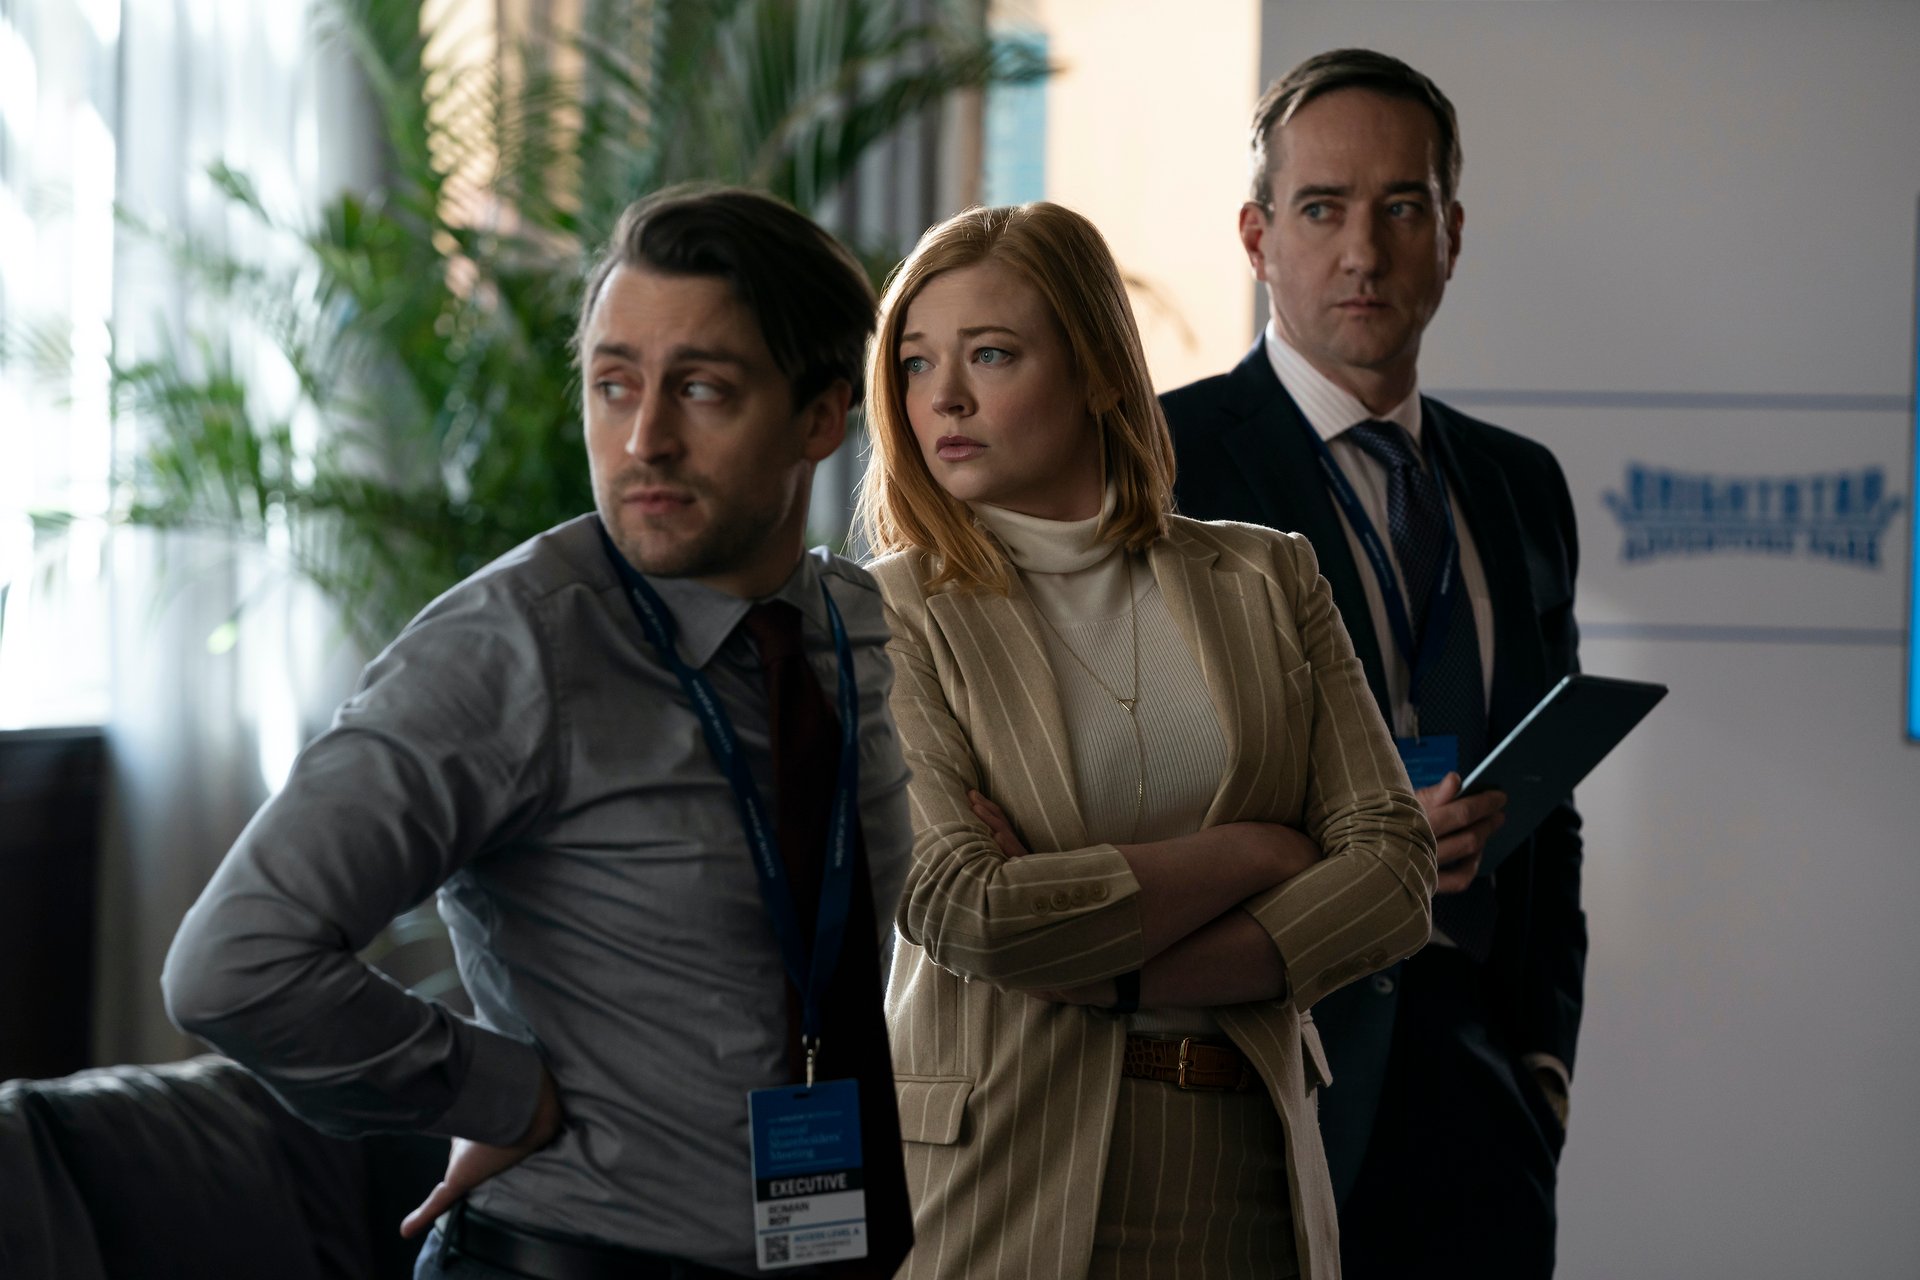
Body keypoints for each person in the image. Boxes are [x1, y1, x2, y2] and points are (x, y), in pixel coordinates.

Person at [162, 185, 916, 1279]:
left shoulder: (858, 629)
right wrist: (493, 1091)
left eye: (701, 388)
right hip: (567, 1258)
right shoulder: (511, 645)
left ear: (820, 417)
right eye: (613, 385)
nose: (644, 439)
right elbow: (232, 963)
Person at [855, 200, 1436, 1280]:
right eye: (916, 362)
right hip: (996, 1180)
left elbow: (1395, 874)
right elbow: (969, 908)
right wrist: (1256, 853)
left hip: (1246, 1171)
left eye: (991, 354)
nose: (944, 396)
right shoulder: (879, 612)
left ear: (1097, 371)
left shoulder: (1270, 575)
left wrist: (1123, 979)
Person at [1160, 48, 1587, 1278]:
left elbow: (1552, 812)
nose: (1364, 251)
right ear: (1257, 238)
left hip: (1478, 1108)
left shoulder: (1519, 485)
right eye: (1322, 208)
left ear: (1451, 236)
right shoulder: (1163, 463)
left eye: (1403, 208)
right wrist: (1357, 834)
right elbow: (1125, 783)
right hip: (1255, 1078)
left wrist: (1542, 1066)